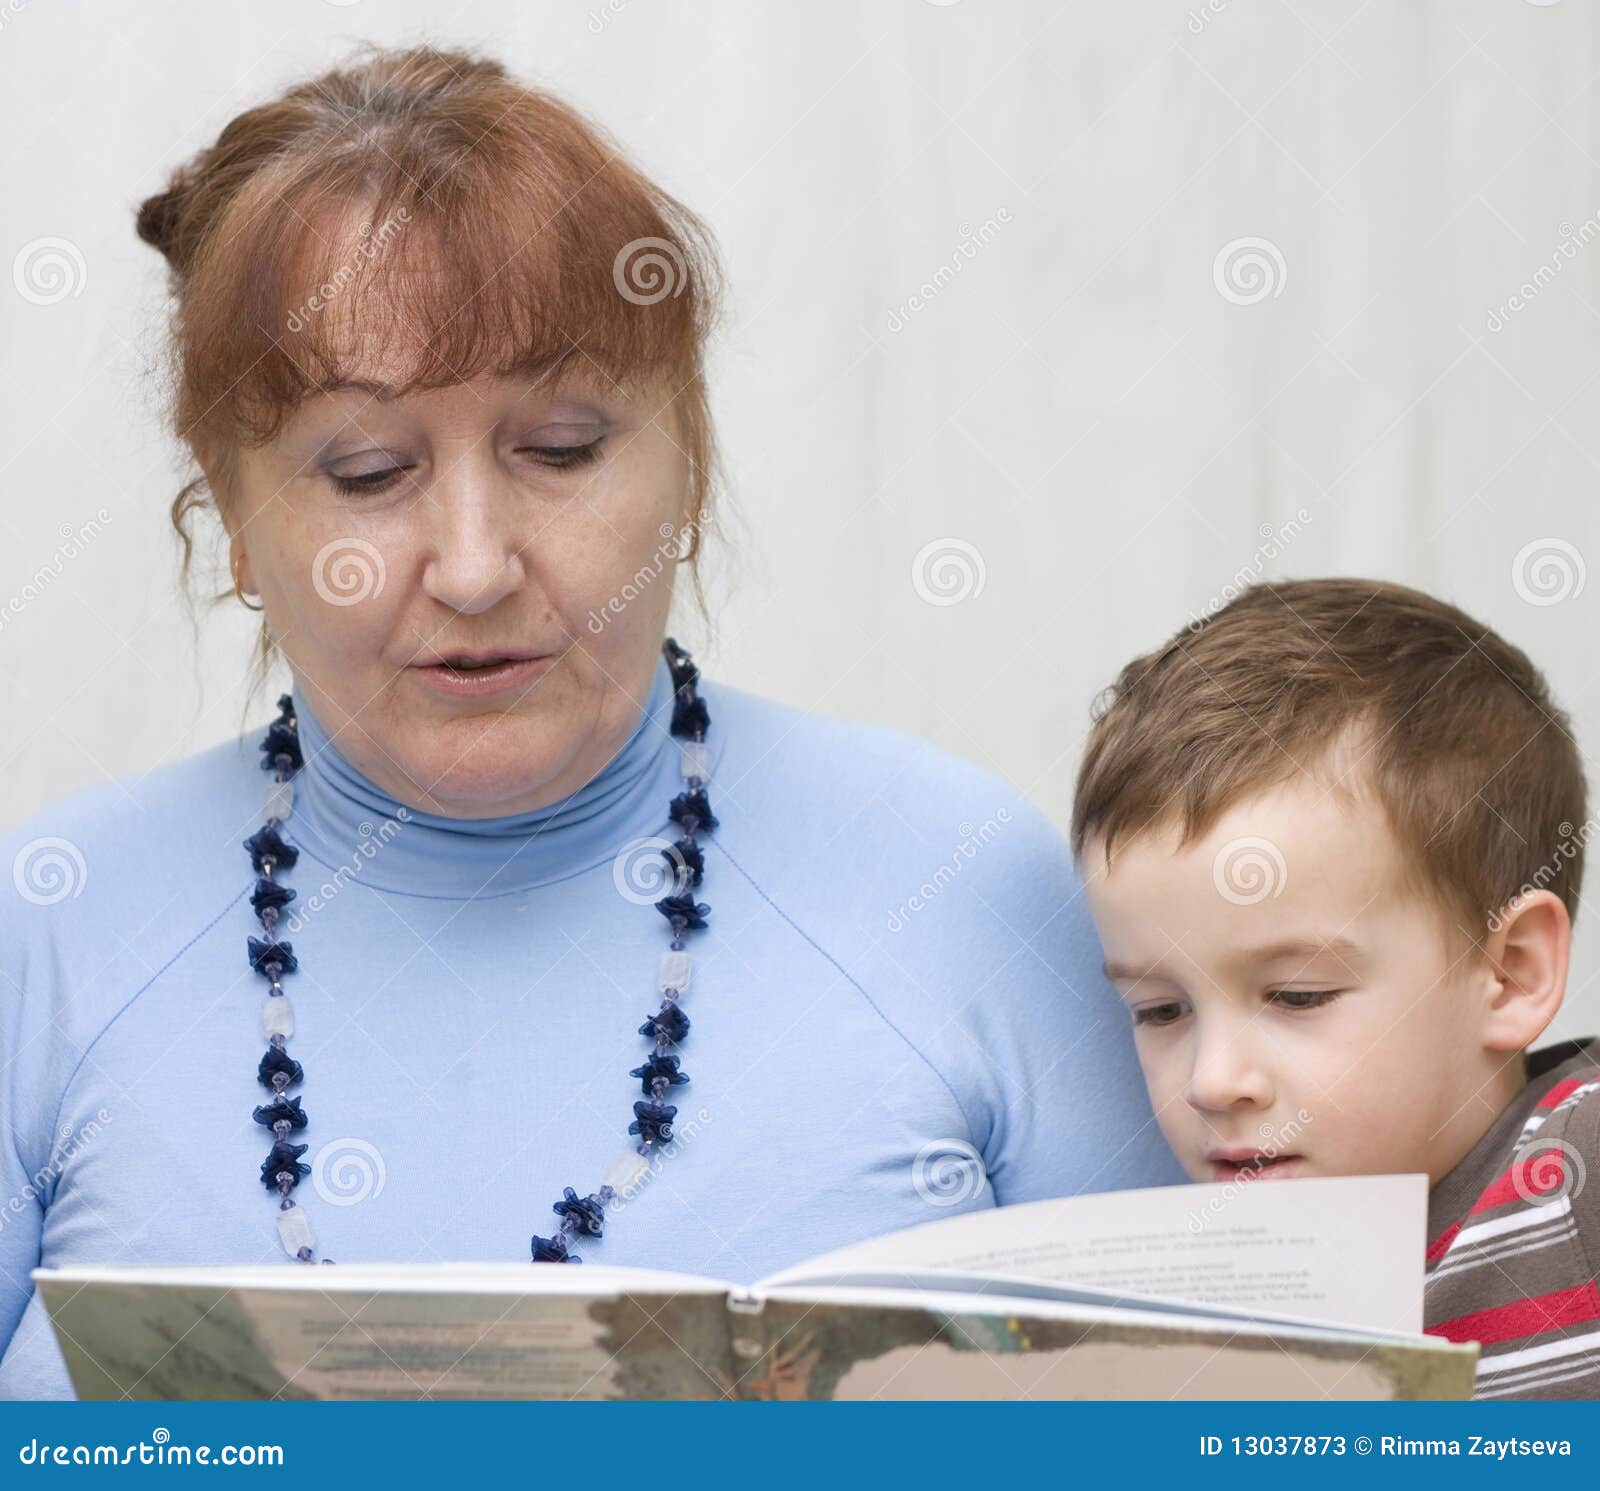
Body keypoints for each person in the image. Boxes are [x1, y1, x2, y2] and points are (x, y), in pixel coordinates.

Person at [0, 44, 1179, 1400]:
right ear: (234, 516)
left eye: (561, 449)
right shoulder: (50, 924)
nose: (474, 565)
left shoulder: (971, 883)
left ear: (690, 462)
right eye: (367, 471)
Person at [1071, 576, 1600, 1399]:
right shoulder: (1224, 1282)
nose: (1213, 1080)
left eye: (1297, 995)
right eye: (1160, 1009)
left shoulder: (1579, 1158)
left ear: (1509, 974)